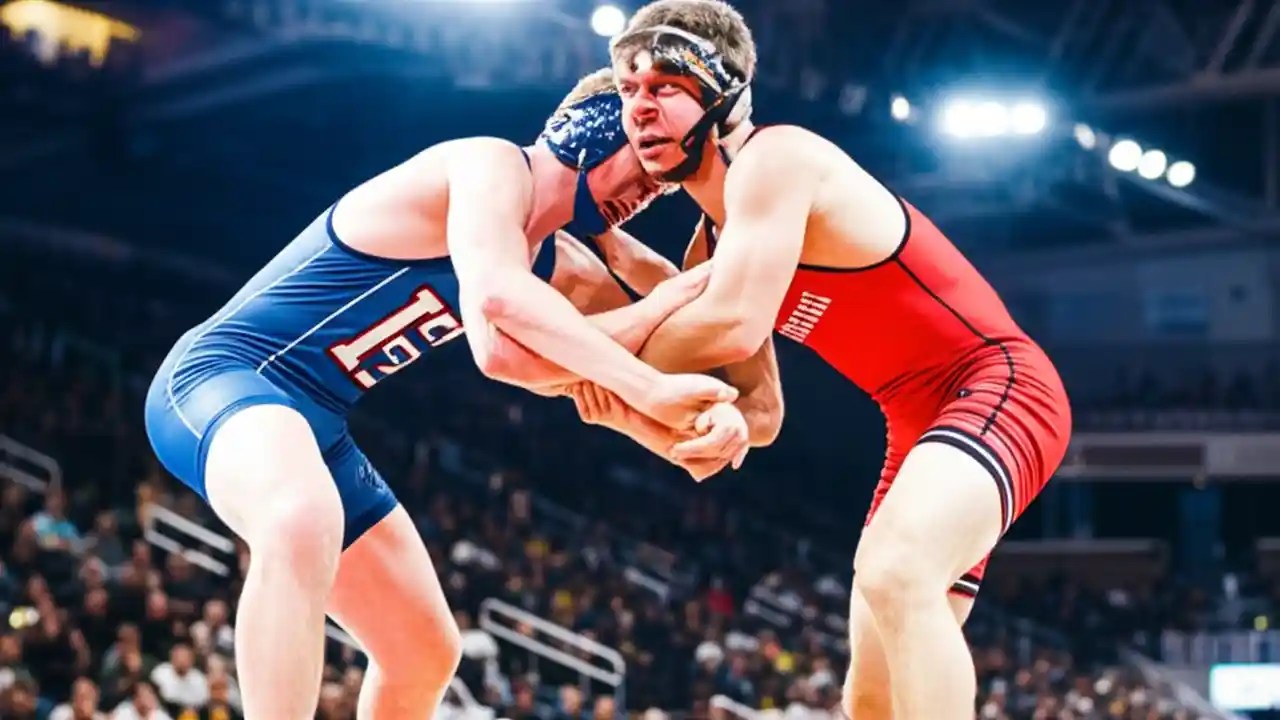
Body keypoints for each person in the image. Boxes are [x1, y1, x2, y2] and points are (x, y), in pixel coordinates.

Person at [144, 69, 743, 720]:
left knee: (424, 650)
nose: (652, 189)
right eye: (645, 159)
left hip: (316, 425)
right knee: (299, 519)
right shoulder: (487, 167)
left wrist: (697, 426)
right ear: (591, 128)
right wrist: (649, 384)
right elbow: (499, 314)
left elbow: (554, 356)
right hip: (226, 377)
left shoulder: (551, 260)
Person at [587, 2, 1074, 717]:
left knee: (896, 571)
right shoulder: (710, 246)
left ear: (721, 89)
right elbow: (763, 411)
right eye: (628, 91)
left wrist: (587, 356)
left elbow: (730, 324)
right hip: (916, 429)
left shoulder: (778, 158)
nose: (639, 109)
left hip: (995, 384)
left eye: (662, 85)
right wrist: (713, 426)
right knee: (868, 698)